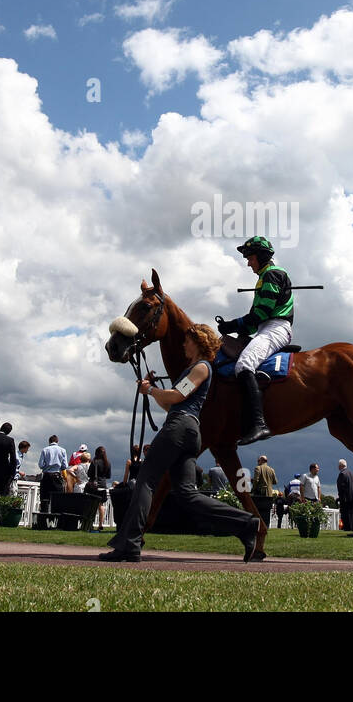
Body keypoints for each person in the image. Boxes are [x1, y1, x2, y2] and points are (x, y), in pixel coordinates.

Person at [100, 323, 264, 562]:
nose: (184, 344)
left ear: (197, 342)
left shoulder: (200, 368)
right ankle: (247, 523)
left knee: (146, 479)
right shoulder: (195, 369)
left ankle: (129, 545)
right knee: (186, 494)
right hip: (188, 430)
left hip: (178, 427)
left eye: (187, 341)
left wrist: (152, 390)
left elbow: (177, 396)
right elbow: (170, 403)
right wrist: (152, 391)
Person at [216, 236, 295, 446]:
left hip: (276, 328)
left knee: (244, 365)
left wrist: (232, 325)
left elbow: (261, 314)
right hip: (266, 327)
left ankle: (259, 425)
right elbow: (253, 323)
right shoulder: (263, 278)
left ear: (260, 256)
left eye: (250, 258)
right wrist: (233, 328)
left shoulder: (272, 275)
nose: (248, 263)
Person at [39, 435, 68, 514]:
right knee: (58, 498)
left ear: (49, 441)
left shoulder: (45, 450)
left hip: (47, 475)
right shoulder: (63, 450)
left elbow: (40, 465)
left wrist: (47, 466)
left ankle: (43, 518)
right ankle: (55, 518)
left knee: (44, 498)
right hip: (56, 475)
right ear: (57, 441)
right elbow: (65, 466)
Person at [87, 446, 112, 529]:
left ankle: (90, 524)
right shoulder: (108, 463)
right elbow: (108, 476)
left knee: (92, 505)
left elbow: (89, 474)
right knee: (101, 505)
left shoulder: (94, 462)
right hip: (103, 486)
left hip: (94, 486)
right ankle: (100, 524)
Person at [335, 459, 353, 533]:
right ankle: (352, 527)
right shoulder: (351, 474)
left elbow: (341, 487)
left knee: (345, 514)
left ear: (341, 466)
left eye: (339, 465)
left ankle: (347, 527)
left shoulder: (342, 474)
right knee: (352, 514)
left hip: (345, 498)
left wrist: (340, 498)